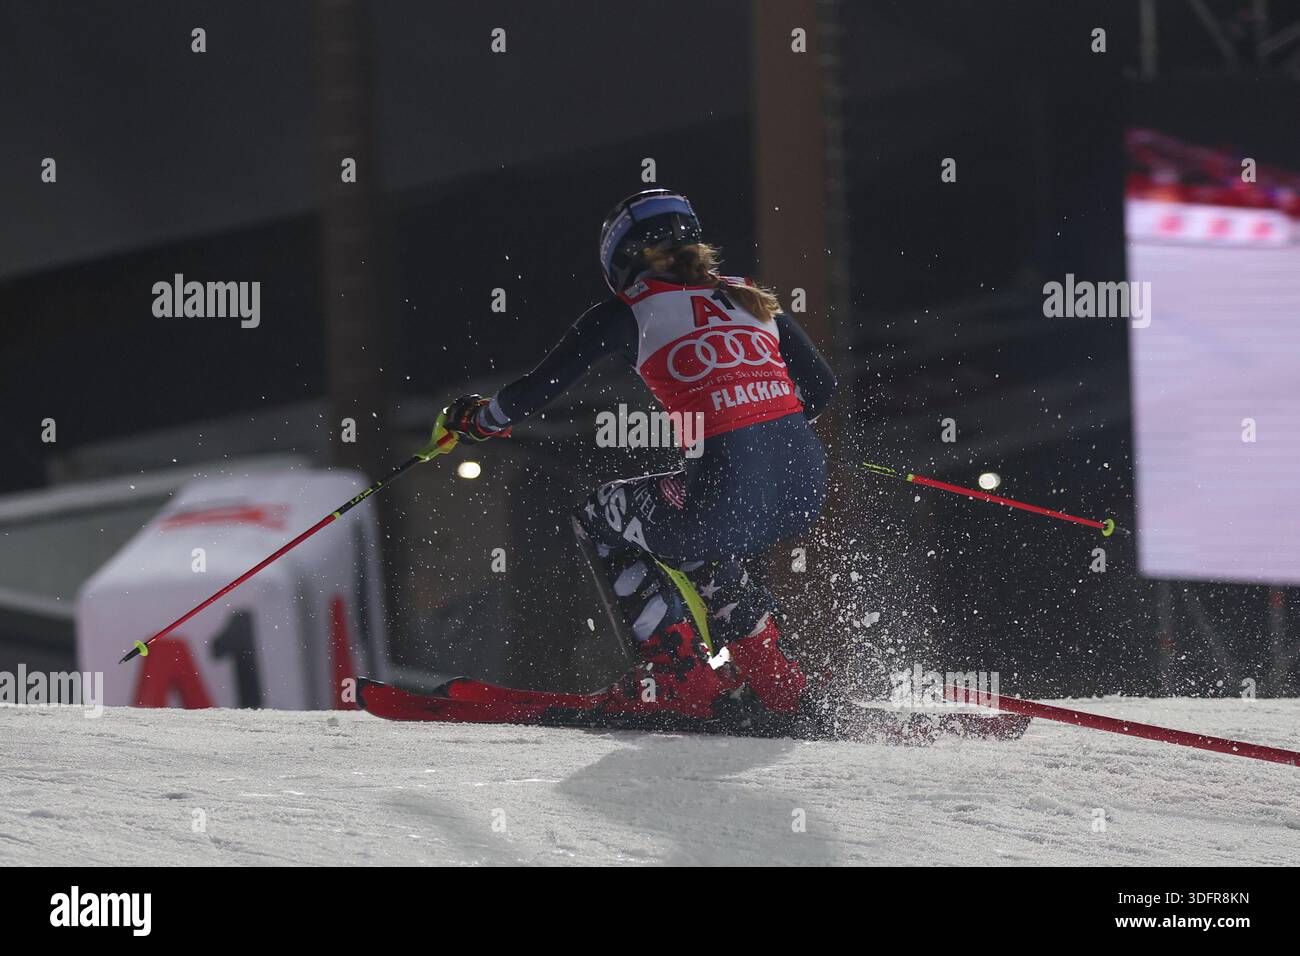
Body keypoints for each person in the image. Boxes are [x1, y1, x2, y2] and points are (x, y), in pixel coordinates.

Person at [443, 189, 835, 725]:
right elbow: (821, 387)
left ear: (621, 259)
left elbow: (540, 386)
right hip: (805, 487)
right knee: (697, 531)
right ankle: (775, 679)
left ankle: (679, 681)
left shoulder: (628, 311)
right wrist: (769, 433)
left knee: (597, 516)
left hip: (724, 494)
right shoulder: (749, 296)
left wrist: (479, 420)